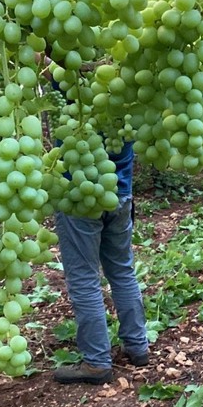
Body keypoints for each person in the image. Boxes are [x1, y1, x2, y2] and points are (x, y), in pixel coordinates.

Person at [52, 143, 151, 384]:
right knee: (122, 272)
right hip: (119, 195)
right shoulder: (126, 105)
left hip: (79, 199)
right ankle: (138, 347)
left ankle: (96, 362)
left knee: (84, 279)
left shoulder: (76, 109)